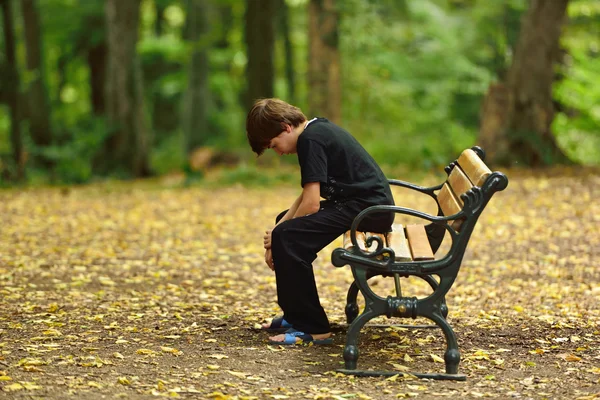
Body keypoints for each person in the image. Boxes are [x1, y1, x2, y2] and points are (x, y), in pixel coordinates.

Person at [246, 98, 395, 345]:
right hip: (358, 205)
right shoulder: (315, 130)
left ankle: (314, 327)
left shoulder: (310, 141)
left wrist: (278, 235)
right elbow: (306, 193)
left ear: (285, 128)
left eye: (274, 146)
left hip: (368, 210)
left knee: (289, 237)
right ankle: (295, 314)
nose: (280, 153)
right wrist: (278, 226)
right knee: (284, 228)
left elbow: (312, 203)